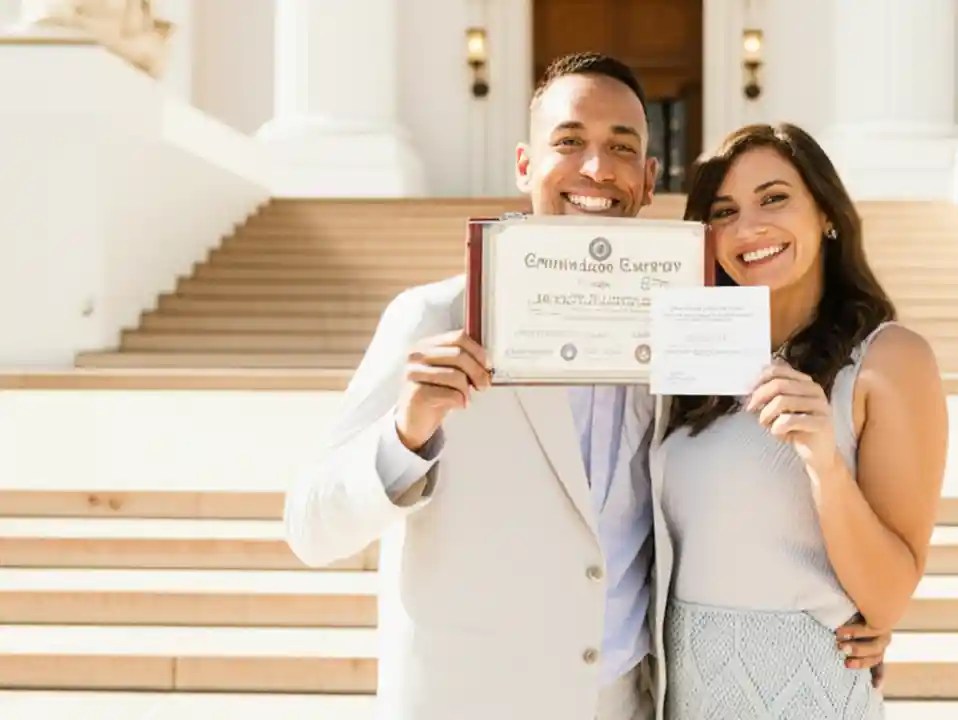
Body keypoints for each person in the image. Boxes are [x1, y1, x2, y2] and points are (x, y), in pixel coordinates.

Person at [283, 53, 891, 720]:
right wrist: (406, 433)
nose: (597, 169)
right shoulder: (434, 319)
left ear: (649, 177)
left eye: (621, 148)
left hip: (622, 703)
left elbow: (730, 498)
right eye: (569, 142)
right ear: (524, 164)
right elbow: (311, 531)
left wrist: (852, 611)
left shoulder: (680, 332)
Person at [651, 123, 949, 719]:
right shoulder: (691, 356)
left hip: (803, 691)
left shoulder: (890, 359)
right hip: (682, 692)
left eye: (774, 198)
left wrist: (823, 462)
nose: (749, 227)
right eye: (724, 211)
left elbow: (887, 599)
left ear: (826, 213)